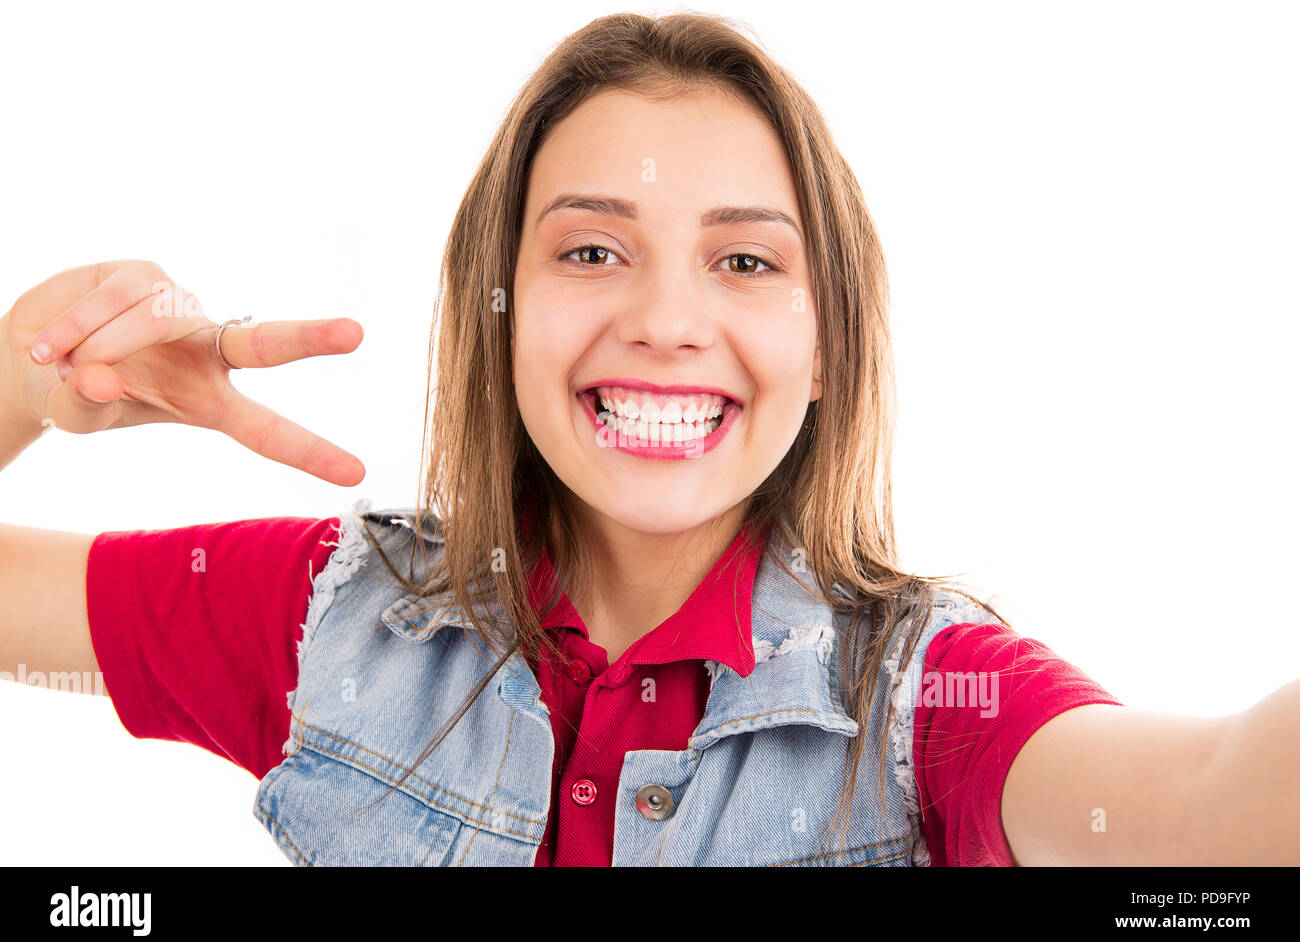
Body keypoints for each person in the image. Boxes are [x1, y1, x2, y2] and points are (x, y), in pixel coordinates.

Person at [1, 11, 1294, 866]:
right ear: (495, 314)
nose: (668, 319)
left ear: (826, 343)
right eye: (592, 250)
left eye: (742, 259)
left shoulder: (929, 707)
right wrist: (21, 386)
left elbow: (1211, 811)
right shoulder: (337, 617)